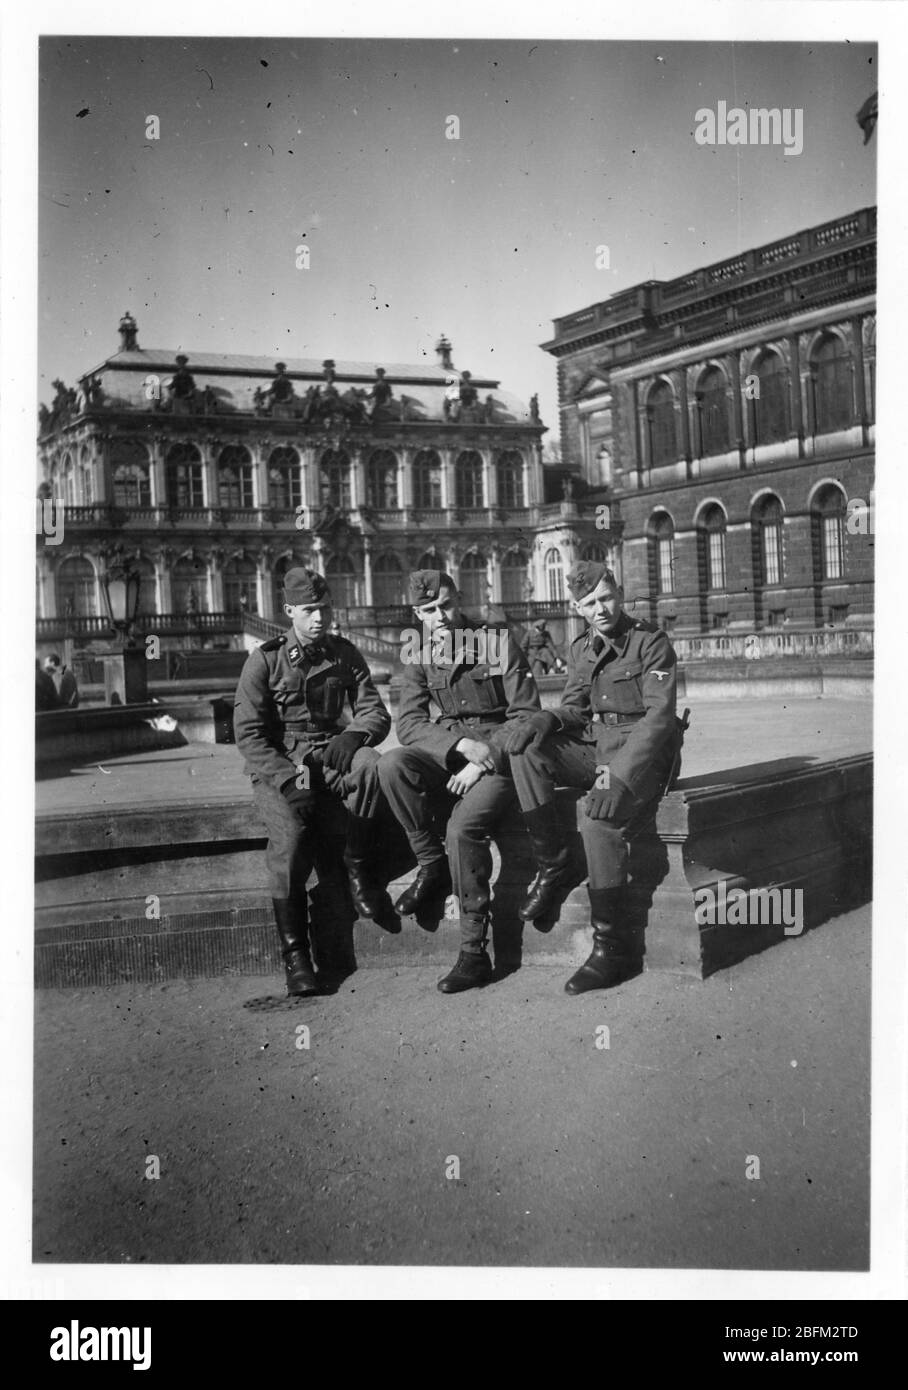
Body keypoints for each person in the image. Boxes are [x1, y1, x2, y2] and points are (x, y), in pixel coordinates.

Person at [503, 561, 680, 994]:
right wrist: (546, 720)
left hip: (644, 758)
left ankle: (611, 948)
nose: (600, 609)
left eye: (605, 597)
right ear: (577, 608)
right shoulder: (581, 647)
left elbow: (659, 719)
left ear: (618, 593)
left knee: (597, 821)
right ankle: (554, 864)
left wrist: (616, 778)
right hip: (598, 748)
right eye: (589, 603)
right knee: (527, 752)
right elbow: (577, 710)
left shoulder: (650, 642)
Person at [378, 570, 541, 994]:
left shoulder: (497, 642)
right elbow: (410, 724)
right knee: (393, 764)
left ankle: (473, 952)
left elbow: (525, 716)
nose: (440, 617)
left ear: (460, 599)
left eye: (446, 605)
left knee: (462, 827)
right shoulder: (416, 653)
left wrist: (483, 758)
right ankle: (431, 864)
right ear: (417, 613)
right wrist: (460, 747)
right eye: (429, 610)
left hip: (503, 757)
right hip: (454, 753)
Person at [233, 567, 391, 996]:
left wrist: (353, 735)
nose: (320, 617)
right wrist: (287, 781)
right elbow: (248, 734)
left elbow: (375, 711)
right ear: (290, 611)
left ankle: (356, 866)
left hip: (329, 755)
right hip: (284, 765)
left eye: (324, 608)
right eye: (310, 610)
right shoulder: (264, 660)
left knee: (374, 766)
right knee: (290, 838)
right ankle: (296, 954)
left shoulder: (344, 654)